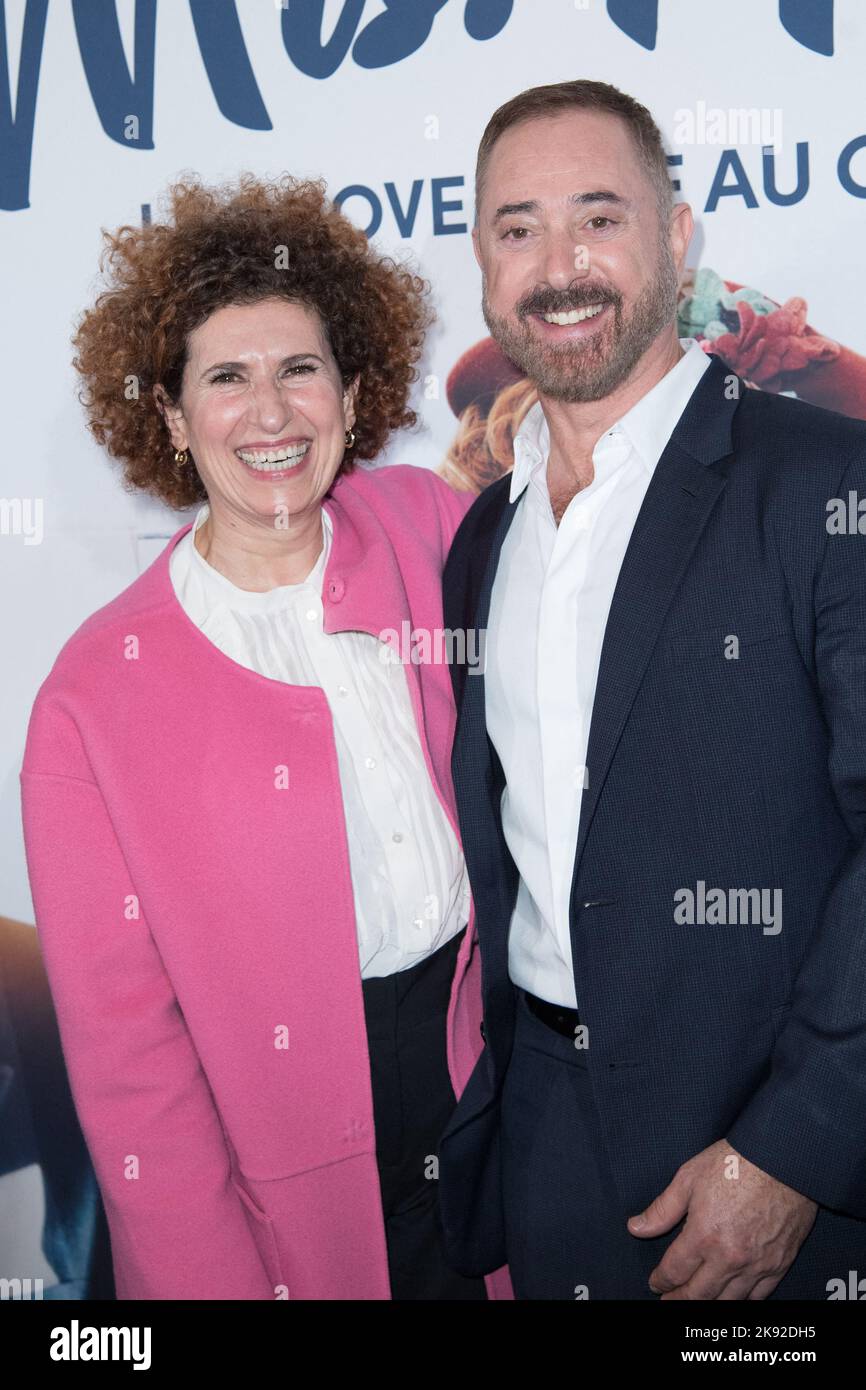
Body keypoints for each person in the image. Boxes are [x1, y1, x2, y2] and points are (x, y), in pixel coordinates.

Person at [20, 172, 512, 1301]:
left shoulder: (427, 529)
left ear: (353, 388)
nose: (272, 413)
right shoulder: (92, 698)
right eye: (225, 378)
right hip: (272, 1183)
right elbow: (131, 1068)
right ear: (170, 415)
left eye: (300, 369)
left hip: (491, 1104)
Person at [437, 79, 866, 1300]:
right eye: (516, 229)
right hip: (549, 1148)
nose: (558, 265)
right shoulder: (481, 538)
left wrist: (791, 1148)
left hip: (776, 1160)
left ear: (678, 239)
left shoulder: (823, 484)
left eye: (598, 218)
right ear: (481, 261)